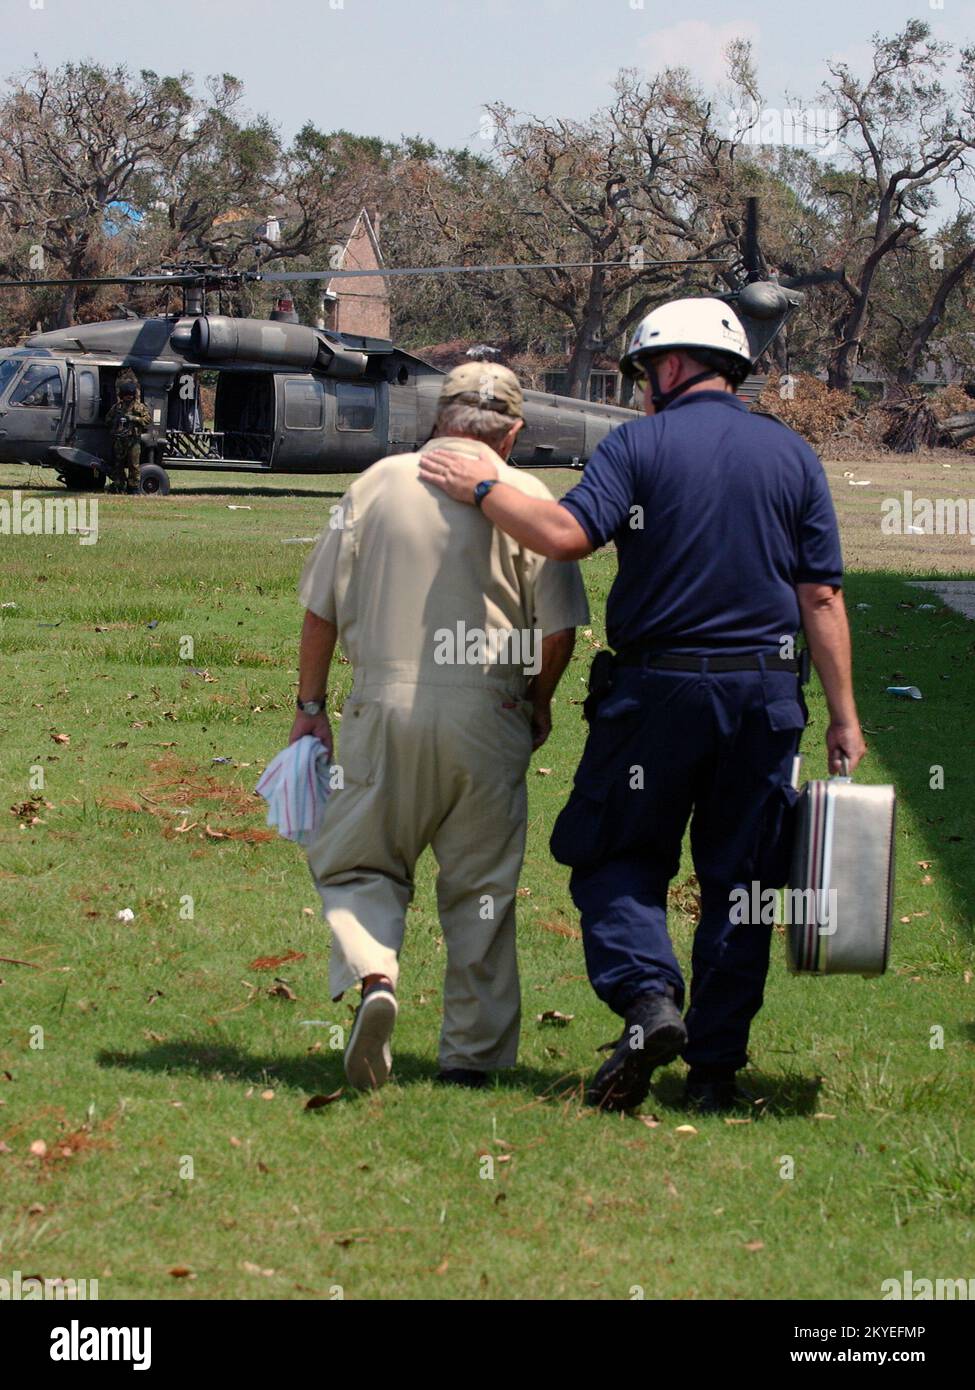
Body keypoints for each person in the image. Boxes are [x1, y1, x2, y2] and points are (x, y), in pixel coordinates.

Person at [419, 297, 867, 1115]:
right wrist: (842, 715)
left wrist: (482, 483)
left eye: (642, 375)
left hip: (654, 696)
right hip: (765, 699)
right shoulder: (793, 456)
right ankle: (714, 1073)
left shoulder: (636, 444)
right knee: (744, 885)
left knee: (617, 856)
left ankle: (647, 1001)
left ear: (668, 367)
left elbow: (562, 534)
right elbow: (823, 597)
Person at [291, 362, 589, 1091]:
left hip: (383, 706)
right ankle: (474, 1059)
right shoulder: (529, 497)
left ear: (436, 416)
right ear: (513, 431)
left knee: (360, 863)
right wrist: (538, 700)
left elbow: (320, 609)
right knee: (480, 890)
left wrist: (309, 709)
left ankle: (375, 975)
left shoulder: (374, 484)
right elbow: (558, 631)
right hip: (488, 714)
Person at [106, 378, 151, 493]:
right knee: (118, 464)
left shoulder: (139, 407)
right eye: (126, 395)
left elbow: (147, 420)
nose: (128, 398)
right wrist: (116, 422)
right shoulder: (117, 407)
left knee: (134, 465)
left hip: (133, 440)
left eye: (130, 395)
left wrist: (133, 418)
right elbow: (108, 419)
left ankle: (133, 487)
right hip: (119, 439)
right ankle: (119, 485)